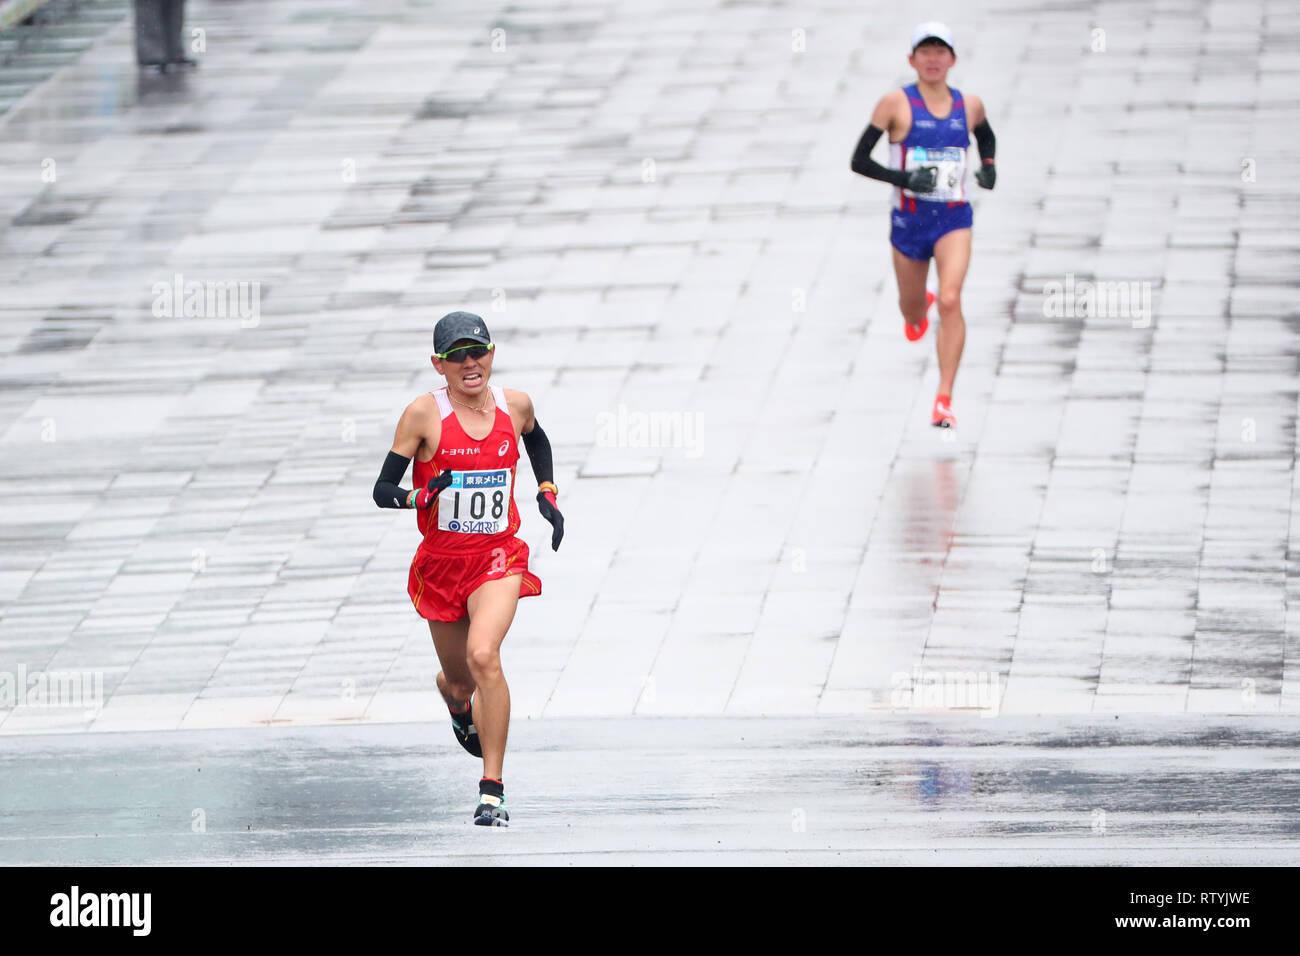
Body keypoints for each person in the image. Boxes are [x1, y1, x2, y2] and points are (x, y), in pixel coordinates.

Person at [372, 311, 564, 827]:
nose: (469, 363)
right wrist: (418, 494)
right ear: (439, 365)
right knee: (461, 682)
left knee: (485, 656)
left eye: (477, 352)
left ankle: (492, 790)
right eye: (456, 356)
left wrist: (547, 494)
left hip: (498, 558)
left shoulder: (514, 404)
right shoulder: (422, 416)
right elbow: (381, 491)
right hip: (442, 565)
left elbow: (537, 440)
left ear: (492, 354)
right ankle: (457, 705)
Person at [850, 21, 996, 428]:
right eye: (925, 53)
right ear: (912, 60)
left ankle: (944, 397)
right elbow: (858, 160)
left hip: (953, 220)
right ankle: (917, 312)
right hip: (909, 225)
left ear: (952, 59)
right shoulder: (894, 105)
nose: (933, 60)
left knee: (951, 300)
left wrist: (989, 168)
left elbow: (987, 139)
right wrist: (904, 180)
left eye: (940, 52)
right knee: (912, 309)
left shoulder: (970, 105)